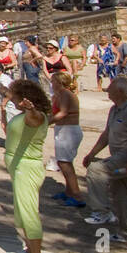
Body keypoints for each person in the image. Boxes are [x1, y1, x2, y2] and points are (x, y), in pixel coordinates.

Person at [81, 77, 127, 245]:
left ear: (119, 92)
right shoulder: (114, 110)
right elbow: (106, 135)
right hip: (120, 157)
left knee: (97, 170)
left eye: (110, 88)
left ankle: (102, 211)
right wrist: (91, 154)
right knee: (121, 195)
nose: (107, 91)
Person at [2, 81, 52, 253]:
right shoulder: (24, 115)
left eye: (13, 96)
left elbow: (35, 118)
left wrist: (31, 109)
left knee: (29, 212)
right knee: (21, 211)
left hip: (27, 168)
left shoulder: (34, 116)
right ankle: (30, 250)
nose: (11, 100)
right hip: (19, 168)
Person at [47, 72, 85, 205]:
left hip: (68, 129)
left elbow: (63, 113)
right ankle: (69, 191)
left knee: (64, 163)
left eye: (53, 81)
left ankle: (76, 195)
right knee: (64, 162)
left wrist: (47, 122)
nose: (51, 83)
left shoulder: (65, 94)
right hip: (63, 129)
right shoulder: (58, 95)